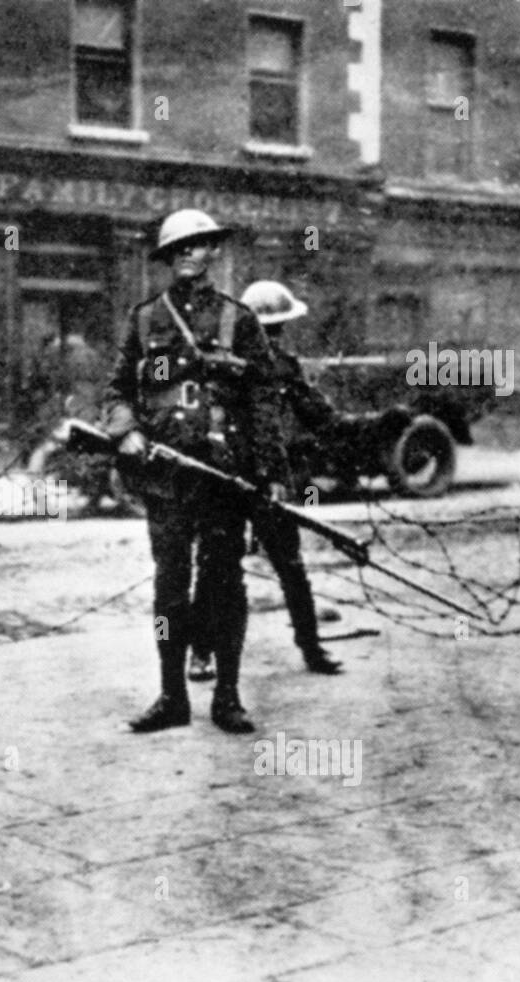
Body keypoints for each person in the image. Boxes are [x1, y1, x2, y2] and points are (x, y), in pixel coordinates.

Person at [101, 209, 286, 735]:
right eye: (177, 247)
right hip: (167, 479)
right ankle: (171, 696)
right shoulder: (144, 320)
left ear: (213, 252)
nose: (187, 253)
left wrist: (270, 472)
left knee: (225, 585)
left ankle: (227, 696)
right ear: (167, 257)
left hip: (223, 477)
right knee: (169, 591)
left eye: (198, 244)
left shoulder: (238, 320)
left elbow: (264, 399)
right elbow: (117, 389)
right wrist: (125, 429)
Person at [188, 281, 343, 679]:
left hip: (264, 478)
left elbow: (314, 411)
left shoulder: (281, 365)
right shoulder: (224, 365)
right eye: (270, 330)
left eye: (275, 331)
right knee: (219, 565)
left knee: (285, 565)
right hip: (231, 479)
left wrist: (339, 426)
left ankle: (310, 648)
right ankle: (202, 652)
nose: (273, 338)